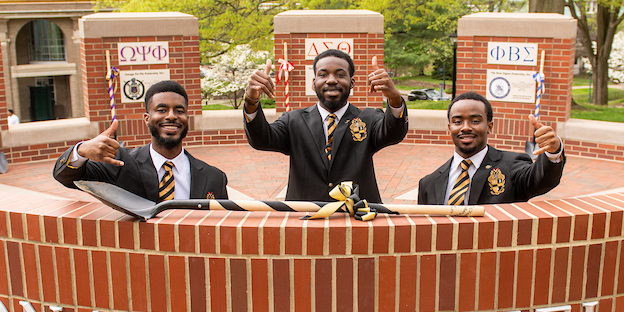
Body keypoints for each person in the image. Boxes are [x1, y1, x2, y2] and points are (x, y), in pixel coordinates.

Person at [243, 49, 407, 202]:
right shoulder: (293, 121)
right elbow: (261, 139)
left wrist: (394, 98)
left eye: (340, 75)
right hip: (305, 216)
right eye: (323, 74)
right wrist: (251, 100)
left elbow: (394, 133)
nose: (331, 80)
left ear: (352, 83)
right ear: (314, 83)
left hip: (358, 216)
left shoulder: (368, 119)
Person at [53, 80, 228, 200]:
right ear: (147, 118)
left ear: (186, 119)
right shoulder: (120, 163)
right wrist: (81, 150)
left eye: (179, 111)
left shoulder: (214, 178)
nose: (171, 116)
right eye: (162, 110)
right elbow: (65, 177)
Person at [417, 91, 564, 205]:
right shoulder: (428, 184)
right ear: (449, 128)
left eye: (475, 121)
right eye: (458, 122)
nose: (465, 127)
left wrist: (553, 152)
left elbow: (541, 180)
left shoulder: (511, 166)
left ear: (489, 126)